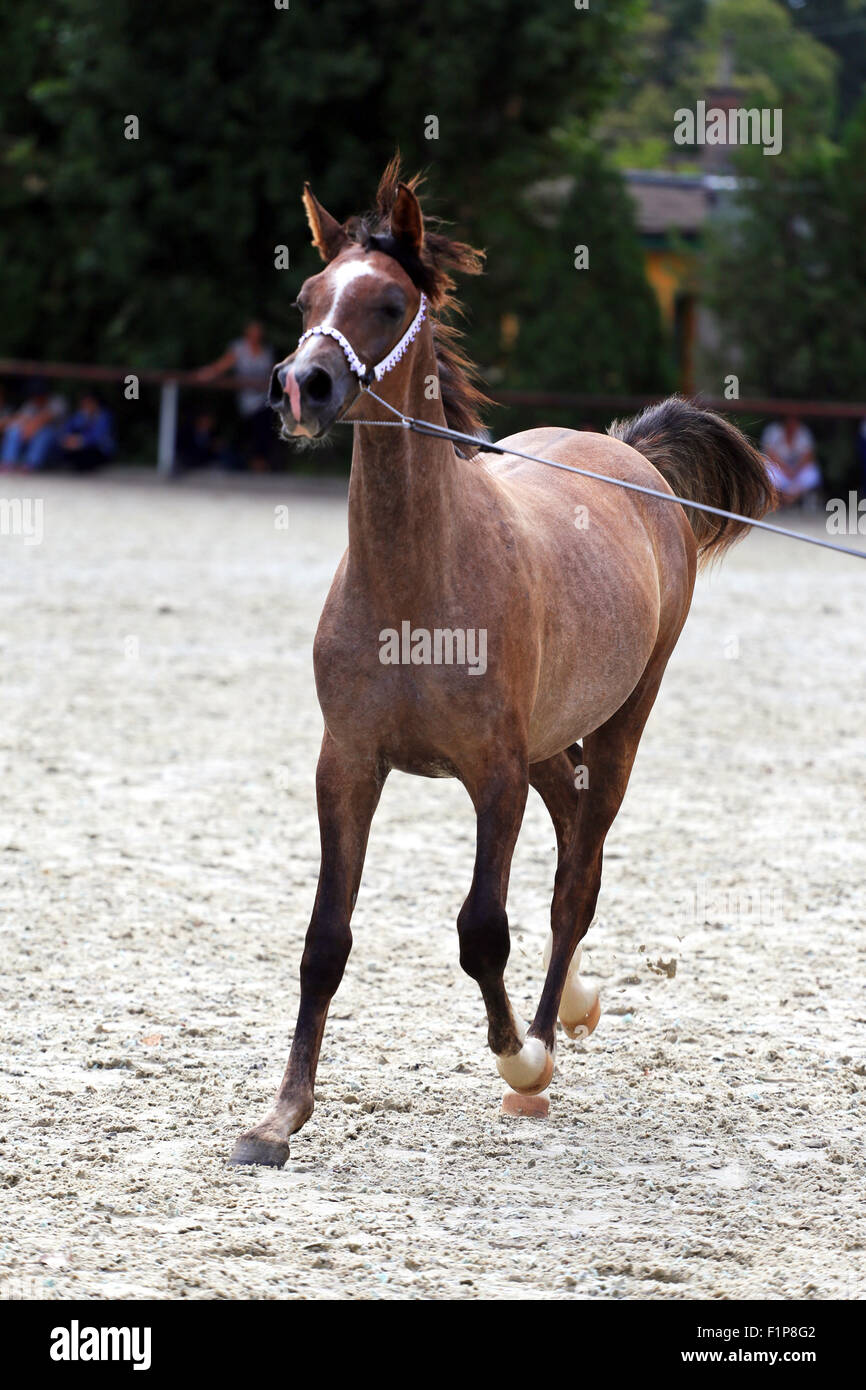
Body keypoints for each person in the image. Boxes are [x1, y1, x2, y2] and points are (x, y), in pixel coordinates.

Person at [195, 320, 274, 470]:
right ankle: (237, 464)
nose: (256, 335)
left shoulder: (266, 350)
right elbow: (223, 365)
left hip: (263, 401)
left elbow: (271, 373)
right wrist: (207, 373)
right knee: (240, 436)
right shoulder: (239, 348)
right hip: (242, 402)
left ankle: (260, 466)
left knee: (262, 435)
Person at [0, 378, 66, 470]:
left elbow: (45, 418)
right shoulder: (31, 404)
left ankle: (30, 464)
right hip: (30, 438)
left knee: (45, 433)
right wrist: (23, 427)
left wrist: (31, 427)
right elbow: (20, 418)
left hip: (56, 443)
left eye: (38, 394)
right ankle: (8, 463)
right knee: (13, 430)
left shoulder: (57, 401)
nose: (36, 398)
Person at [760, 415, 822, 507]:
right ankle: (780, 497)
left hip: (797, 472)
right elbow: (769, 454)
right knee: (768, 472)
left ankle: (791, 497)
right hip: (780, 470)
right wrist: (786, 469)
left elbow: (809, 456)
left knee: (812, 474)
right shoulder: (773, 431)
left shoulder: (804, 432)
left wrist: (795, 470)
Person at [57, 391, 116, 471]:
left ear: (95, 403)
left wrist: (80, 441)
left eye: (89, 403)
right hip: (80, 448)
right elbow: (67, 429)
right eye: (84, 404)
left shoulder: (104, 416)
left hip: (99, 450)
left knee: (88, 453)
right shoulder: (79, 415)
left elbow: (98, 437)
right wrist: (68, 439)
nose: (86, 406)